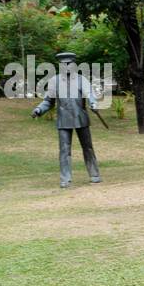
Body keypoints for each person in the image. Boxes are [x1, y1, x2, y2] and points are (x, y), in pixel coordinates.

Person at [31, 51, 102, 188]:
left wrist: (93, 103)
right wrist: (39, 110)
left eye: (69, 63)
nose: (67, 66)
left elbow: (90, 95)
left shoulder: (82, 79)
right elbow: (48, 101)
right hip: (63, 120)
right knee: (64, 150)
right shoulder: (54, 81)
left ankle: (94, 174)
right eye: (64, 64)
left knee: (87, 147)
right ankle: (65, 179)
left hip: (81, 118)